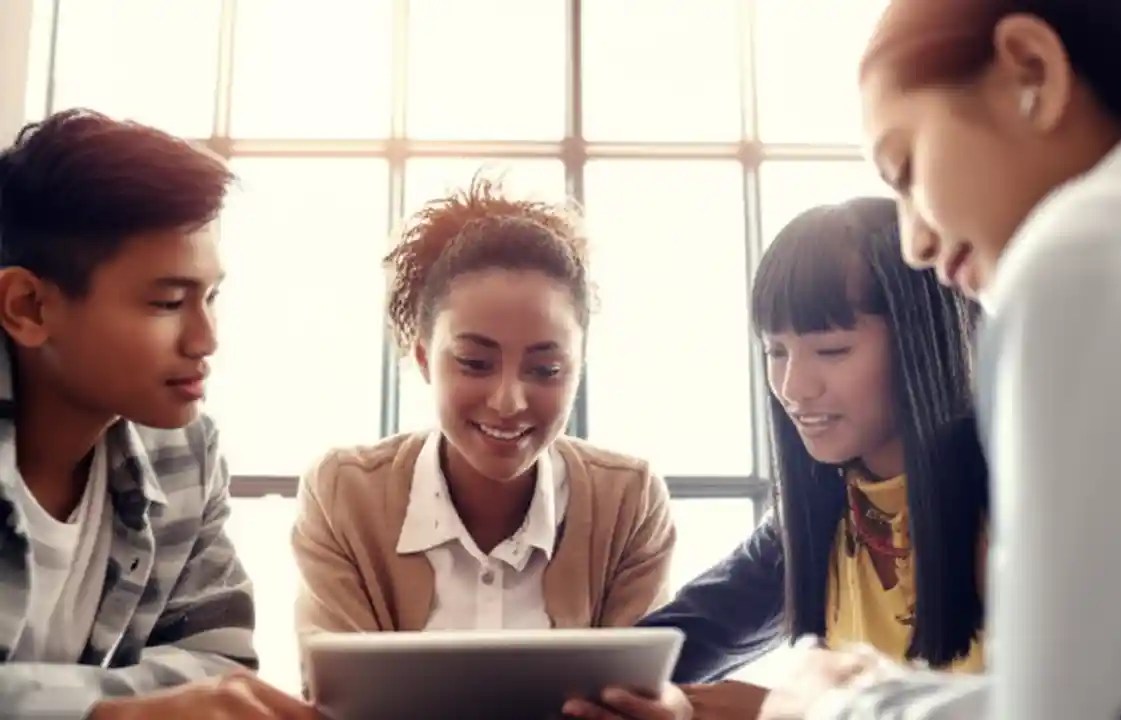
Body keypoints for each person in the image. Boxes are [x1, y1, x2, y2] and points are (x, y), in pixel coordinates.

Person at [762, 0, 1121, 718]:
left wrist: (834, 709)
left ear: (1031, 71)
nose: (914, 241)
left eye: (906, 168)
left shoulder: (1093, 253)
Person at [561, 197, 988, 720]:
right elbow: (678, 640)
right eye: (776, 351)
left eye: (831, 351)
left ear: (922, 340)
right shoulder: (820, 511)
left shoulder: (1013, 503)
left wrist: (793, 712)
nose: (793, 388)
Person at [0, 109, 316, 719]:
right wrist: (104, 713)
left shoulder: (185, 453)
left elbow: (220, 663)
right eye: (168, 301)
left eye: (211, 296)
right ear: (29, 307)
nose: (206, 338)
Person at [291, 178, 676, 660]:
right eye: (475, 363)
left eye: (545, 370)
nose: (509, 401)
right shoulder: (343, 494)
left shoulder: (628, 500)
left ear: (579, 368)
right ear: (423, 357)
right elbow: (337, 703)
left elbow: (634, 700)